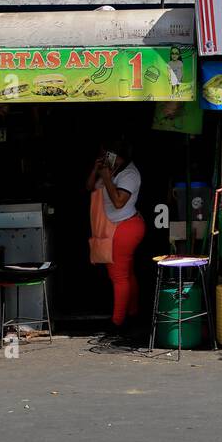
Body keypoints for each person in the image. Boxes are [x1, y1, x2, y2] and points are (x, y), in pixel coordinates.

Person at [86, 138, 145, 337]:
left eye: (106, 154)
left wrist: (107, 177)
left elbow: (119, 202)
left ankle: (117, 323)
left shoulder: (129, 174)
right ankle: (133, 312)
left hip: (123, 228)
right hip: (113, 226)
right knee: (127, 274)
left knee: (118, 277)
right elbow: (89, 187)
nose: (103, 157)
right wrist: (97, 171)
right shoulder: (110, 169)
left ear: (116, 155)